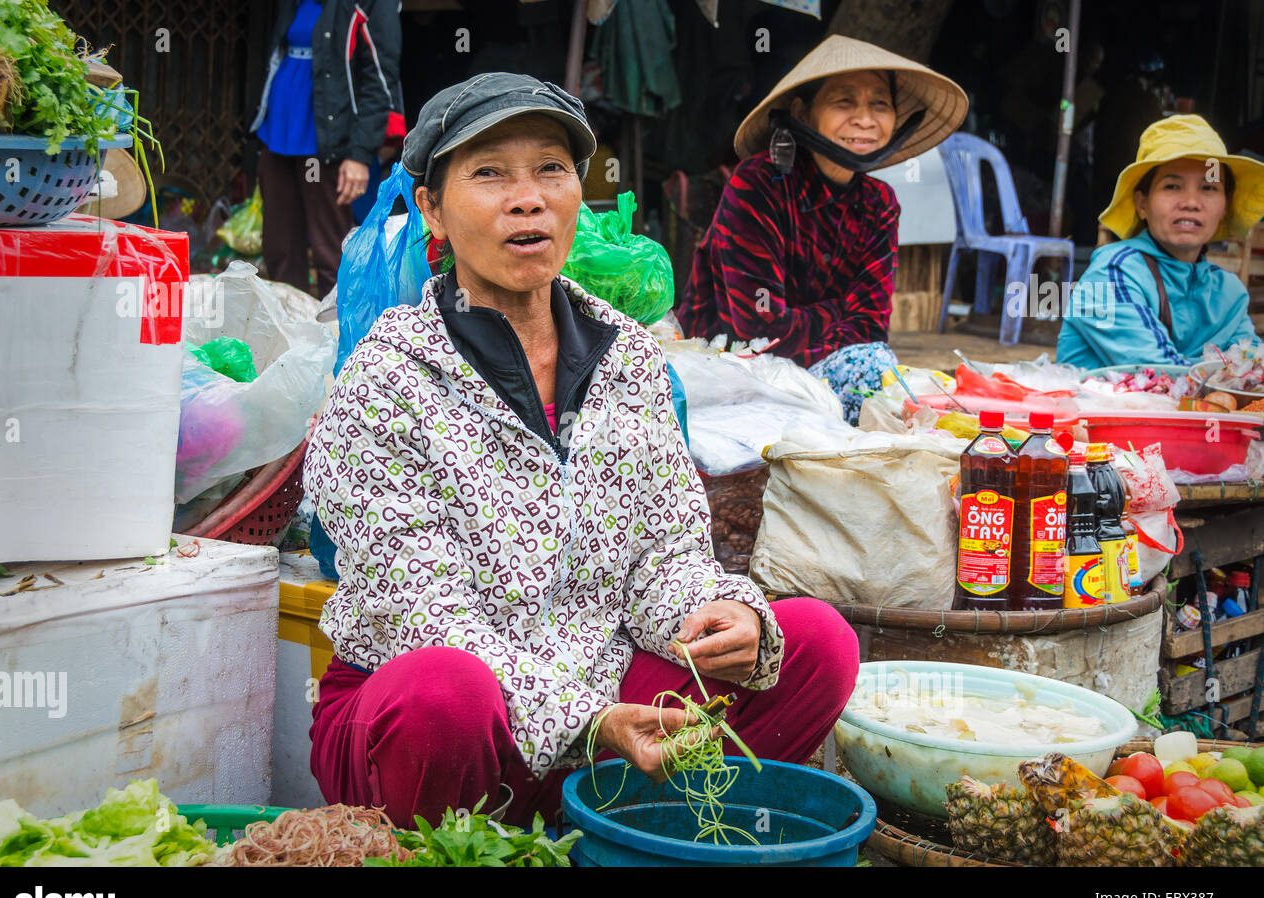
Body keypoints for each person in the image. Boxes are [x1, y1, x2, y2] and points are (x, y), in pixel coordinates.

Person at [302, 73, 860, 829]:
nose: (526, 198)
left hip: (606, 707)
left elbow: (667, 553)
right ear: (431, 206)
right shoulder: (388, 378)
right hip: (449, 732)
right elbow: (420, 612)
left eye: (551, 170)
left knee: (815, 642)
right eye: (489, 173)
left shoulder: (629, 359)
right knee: (444, 692)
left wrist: (718, 614)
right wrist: (590, 719)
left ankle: (614, 831)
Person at [676, 35, 966, 423]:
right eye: (844, 101)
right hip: (728, 374)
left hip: (824, 373)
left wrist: (810, 323)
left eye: (879, 104)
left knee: (878, 368)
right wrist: (840, 310)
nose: (865, 119)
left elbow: (872, 327)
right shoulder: (758, 184)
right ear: (802, 111)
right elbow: (760, 329)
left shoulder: (879, 203)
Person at [1057, 115, 1264, 370]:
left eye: (1208, 188)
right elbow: (1157, 372)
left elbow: (1254, 369)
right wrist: (1229, 375)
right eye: (1172, 186)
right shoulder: (1113, 273)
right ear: (1142, 204)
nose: (1190, 202)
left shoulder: (1229, 293)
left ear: (1225, 207)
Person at [251, 0, 402, 298]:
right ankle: (290, 332)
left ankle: (336, 336)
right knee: (279, 247)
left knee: (330, 251)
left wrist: (359, 155)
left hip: (328, 138)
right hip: (279, 132)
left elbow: (380, 81)